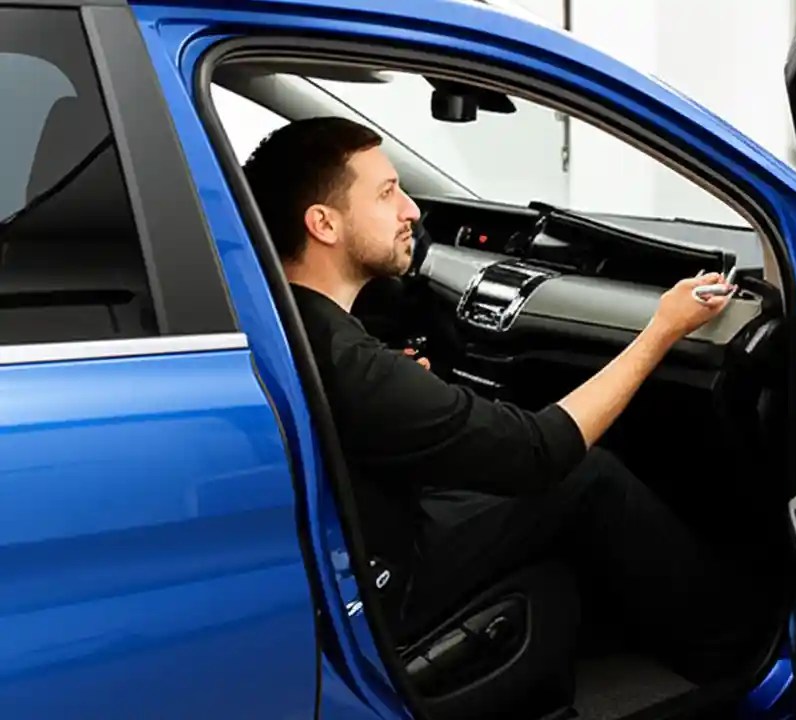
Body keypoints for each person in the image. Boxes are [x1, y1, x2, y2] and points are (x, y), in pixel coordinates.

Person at [241, 116, 766, 684]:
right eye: (388, 193)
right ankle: (734, 650)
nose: (412, 211)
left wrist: (405, 393)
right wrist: (662, 329)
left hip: (350, 539)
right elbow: (539, 450)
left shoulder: (281, 315)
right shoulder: (351, 364)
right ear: (323, 223)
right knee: (584, 475)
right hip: (385, 577)